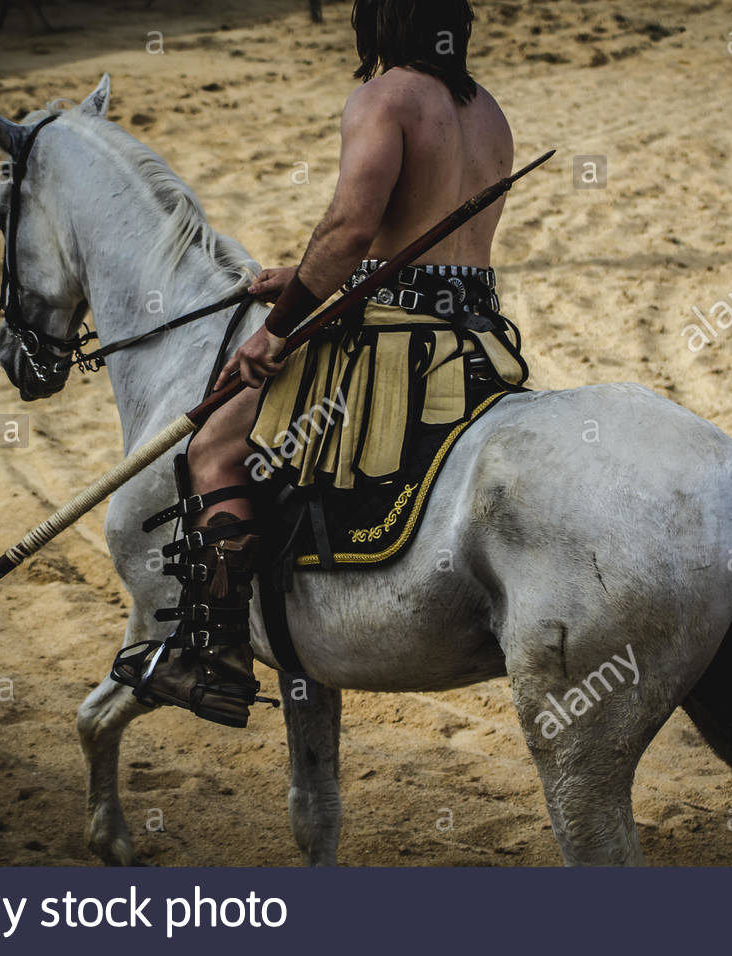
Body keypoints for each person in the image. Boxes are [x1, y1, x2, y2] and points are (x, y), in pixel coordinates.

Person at [111, 0, 526, 727]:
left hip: (393, 338)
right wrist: (299, 273)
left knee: (213, 447)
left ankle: (215, 655)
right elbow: (407, 241)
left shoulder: (383, 96)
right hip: (474, 335)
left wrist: (278, 327)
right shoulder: (487, 110)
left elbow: (351, 227)